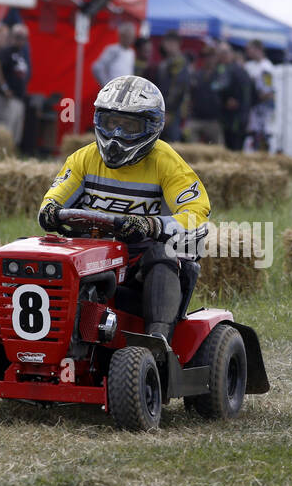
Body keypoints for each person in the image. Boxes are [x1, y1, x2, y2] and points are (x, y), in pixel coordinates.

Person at [37, 74, 211, 342]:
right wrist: (49, 211)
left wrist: (152, 225)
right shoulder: (83, 158)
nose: (116, 136)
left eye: (128, 126)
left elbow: (197, 215)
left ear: (151, 127)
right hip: (89, 263)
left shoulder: (166, 162)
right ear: (98, 121)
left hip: (138, 274)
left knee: (162, 253)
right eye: (110, 123)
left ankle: (157, 340)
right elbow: (54, 200)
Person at [0, 23, 30, 145]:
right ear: (12, 37)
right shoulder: (5, 52)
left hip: (18, 98)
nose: (20, 40)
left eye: (23, 37)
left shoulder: (22, 54)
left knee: (15, 134)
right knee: (4, 132)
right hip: (6, 98)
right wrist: (4, 87)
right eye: (18, 36)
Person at [152, 31, 190, 143]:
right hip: (160, 108)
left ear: (178, 44)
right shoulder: (164, 63)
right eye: (167, 43)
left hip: (173, 111)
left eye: (172, 43)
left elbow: (179, 89)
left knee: (173, 143)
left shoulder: (181, 63)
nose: (169, 46)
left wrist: (169, 111)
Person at [183, 45, 225, 145]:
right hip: (196, 118)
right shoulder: (196, 75)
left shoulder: (221, 75)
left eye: (211, 56)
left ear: (216, 58)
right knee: (188, 140)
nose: (209, 59)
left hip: (213, 119)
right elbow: (188, 95)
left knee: (219, 148)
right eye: (206, 57)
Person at [215, 44, 252, 151]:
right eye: (220, 54)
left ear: (231, 54)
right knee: (229, 146)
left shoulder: (237, 70)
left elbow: (248, 93)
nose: (223, 56)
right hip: (228, 116)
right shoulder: (222, 69)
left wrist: (237, 102)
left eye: (225, 53)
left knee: (235, 146)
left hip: (237, 117)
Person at [244, 39, 276, 152]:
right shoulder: (250, 65)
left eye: (250, 49)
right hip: (254, 109)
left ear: (258, 49)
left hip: (262, 110)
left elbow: (269, 92)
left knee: (261, 138)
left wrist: (256, 100)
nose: (247, 52)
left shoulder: (266, 68)